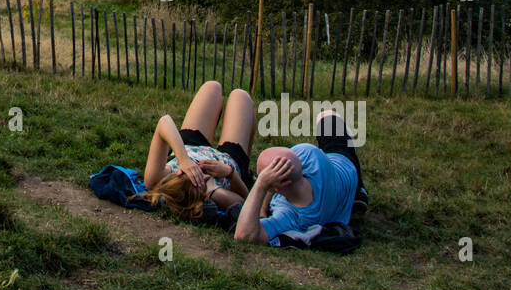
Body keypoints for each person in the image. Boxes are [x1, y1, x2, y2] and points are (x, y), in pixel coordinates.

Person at [233, 110, 368, 246]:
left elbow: (243, 235)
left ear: (276, 187)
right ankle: (360, 191)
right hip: (345, 165)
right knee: (327, 116)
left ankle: (359, 192)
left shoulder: (292, 216)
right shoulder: (308, 153)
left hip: (346, 177)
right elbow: (287, 160)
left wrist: (261, 185)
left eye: (260, 176)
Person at [140, 81, 255, 220]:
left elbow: (164, 121)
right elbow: (246, 204)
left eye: (194, 178)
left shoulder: (156, 179)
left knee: (212, 87)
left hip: (190, 147)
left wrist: (184, 160)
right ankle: (247, 175)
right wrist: (229, 174)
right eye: (201, 184)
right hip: (228, 159)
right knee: (240, 96)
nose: (204, 176)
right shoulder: (215, 192)